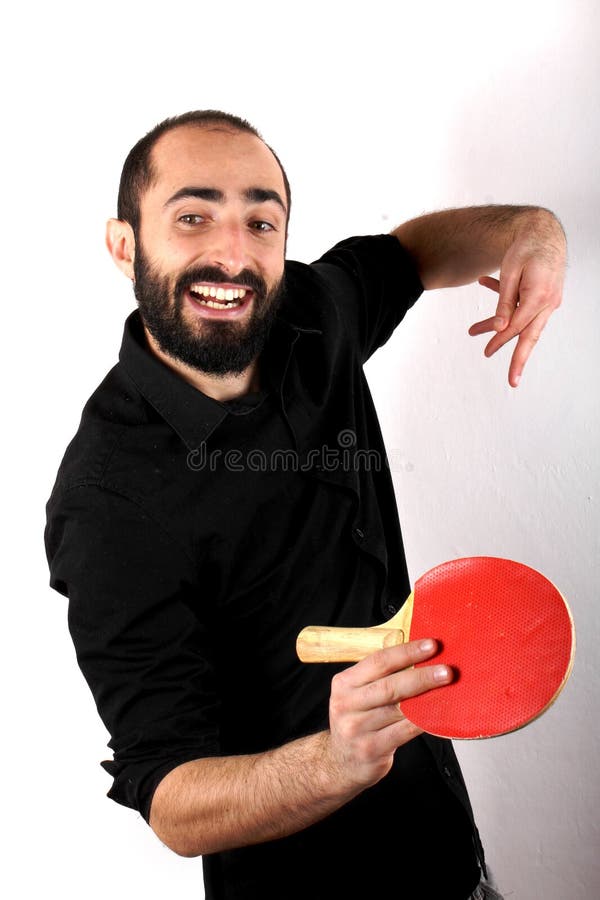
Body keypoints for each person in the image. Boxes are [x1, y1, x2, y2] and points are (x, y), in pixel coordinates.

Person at [44, 110, 565, 900]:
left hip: (447, 852)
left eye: (261, 220)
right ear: (125, 245)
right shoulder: (105, 502)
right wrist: (338, 759)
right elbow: (174, 802)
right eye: (192, 217)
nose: (232, 252)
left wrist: (531, 231)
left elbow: (411, 254)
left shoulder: (311, 313)